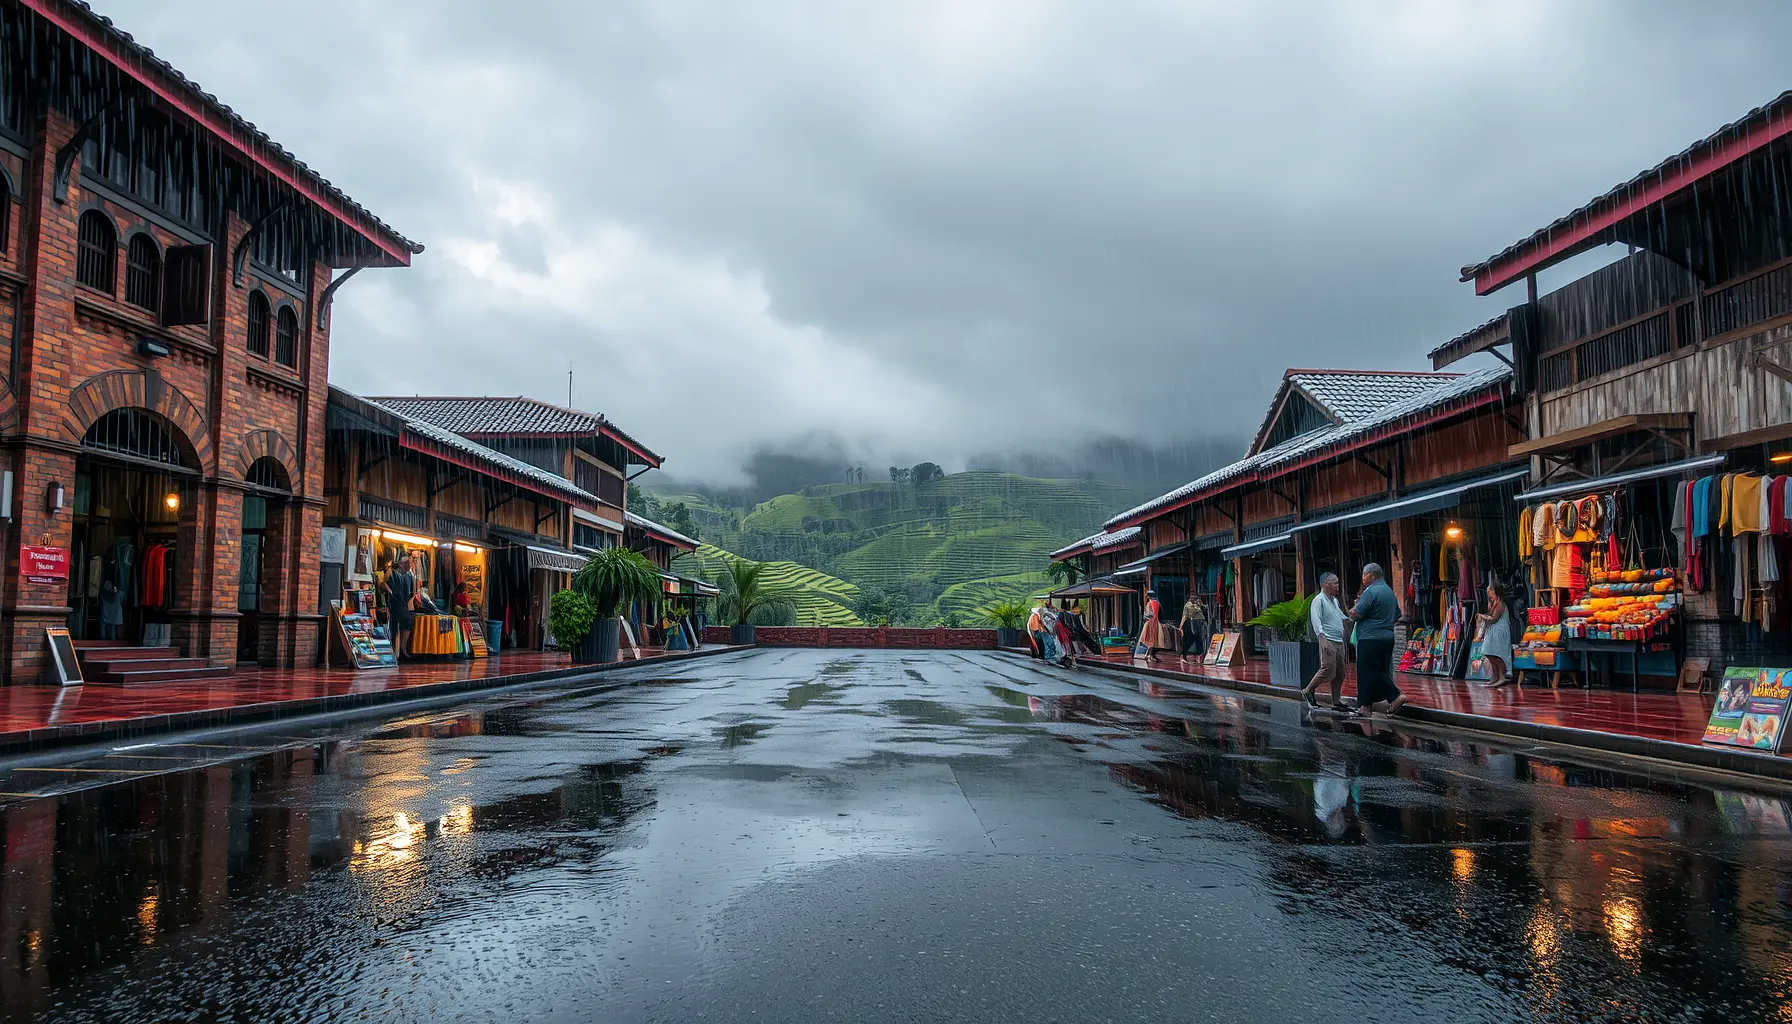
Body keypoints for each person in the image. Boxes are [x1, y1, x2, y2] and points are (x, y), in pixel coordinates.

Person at [1347, 562, 1406, 716]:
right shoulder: (1389, 591)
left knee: (1372, 671)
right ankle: (1365, 707)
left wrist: (1352, 609)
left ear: (1371, 576)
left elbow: (1356, 614)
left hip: (1370, 638)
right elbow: (1397, 615)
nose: (1362, 578)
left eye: (1364, 574)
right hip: (1387, 637)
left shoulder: (1370, 591)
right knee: (1371, 672)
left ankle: (1395, 696)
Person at [1302, 572, 1351, 712]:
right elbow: (1316, 620)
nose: (1337, 586)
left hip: (1339, 641)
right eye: (1334, 583)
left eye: (1337, 583)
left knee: (1340, 673)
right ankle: (1308, 690)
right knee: (1327, 668)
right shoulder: (1318, 600)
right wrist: (1321, 638)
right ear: (1324, 585)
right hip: (1328, 639)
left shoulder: (1335, 601)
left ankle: (1336, 701)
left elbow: (1341, 616)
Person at [1476, 577, 1514, 689]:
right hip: (1493, 632)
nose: (1489, 595)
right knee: (1489, 653)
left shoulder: (1500, 604)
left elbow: (1494, 619)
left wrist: (1482, 616)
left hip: (1499, 633)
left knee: (1497, 655)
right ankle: (1495, 677)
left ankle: (1501, 676)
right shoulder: (1494, 603)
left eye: (1490, 592)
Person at [384, 555, 419, 659]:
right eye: (406, 563)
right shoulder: (391, 571)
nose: (408, 565)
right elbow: (383, 582)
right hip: (395, 602)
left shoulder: (410, 574)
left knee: (406, 626)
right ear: (400, 563)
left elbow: (414, 590)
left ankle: (403, 649)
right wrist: (390, 592)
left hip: (406, 603)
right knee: (395, 626)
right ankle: (395, 650)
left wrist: (411, 600)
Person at [1178, 594, 1209, 659]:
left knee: (1199, 639)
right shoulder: (1188, 605)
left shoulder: (1197, 605)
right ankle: (1185, 654)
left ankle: (1198, 654)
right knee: (1192, 639)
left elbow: (1203, 611)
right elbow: (1185, 616)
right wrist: (1181, 626)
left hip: (1199, 623)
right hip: (1192, 623)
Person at [1139, 589, 1164, 663]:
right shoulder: (1150, 603)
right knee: (1150, 640)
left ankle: (1149, 655)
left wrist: (1151, 622)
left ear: (1149, 596)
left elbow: (1154, 614)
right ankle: (1148, 655)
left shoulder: (1154, 603)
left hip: (1152, 622)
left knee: (1152, 640)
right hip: (1149, 622)